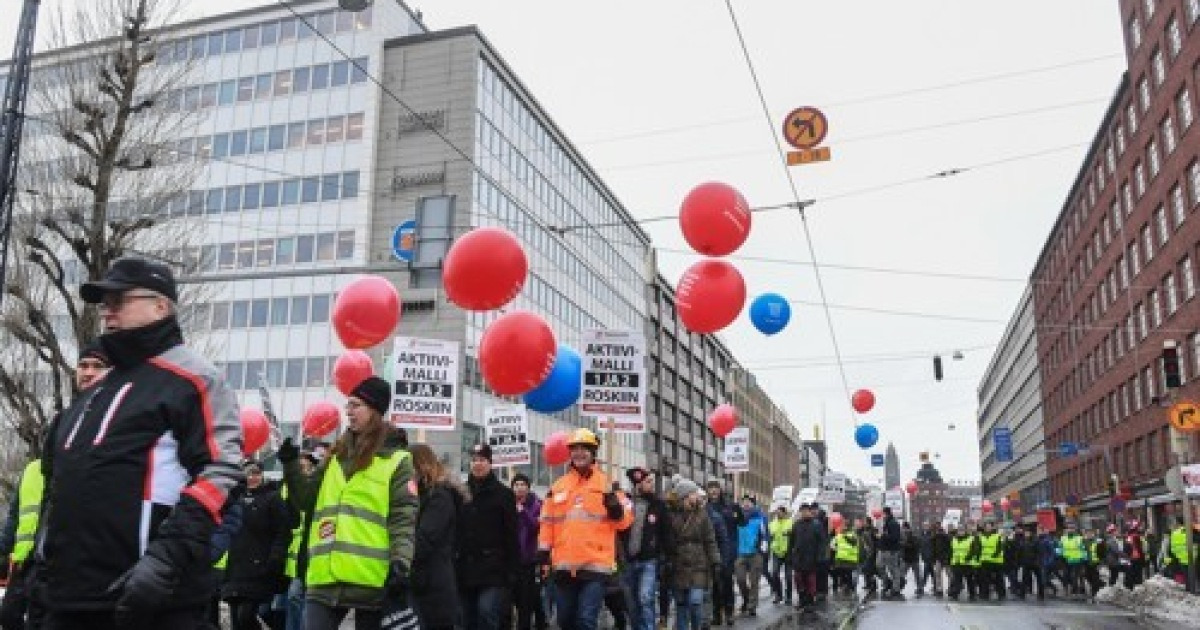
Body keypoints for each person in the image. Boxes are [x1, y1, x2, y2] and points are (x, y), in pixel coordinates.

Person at [34, 257, 245, 629]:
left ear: (160, 305)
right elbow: (57, 488)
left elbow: (221, 472)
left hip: (150, 600)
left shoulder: (195, 379)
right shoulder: (93, 392)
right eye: (103, 304)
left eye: (119, 301)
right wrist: (36, 575)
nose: (107, 313)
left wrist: (166, 559)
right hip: (67, 601)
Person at [279, 375, 418, 630]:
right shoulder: (335, 455)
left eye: (356, 405)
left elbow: (403, 518)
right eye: (348, 405)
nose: (348, 411)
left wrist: (400, 564)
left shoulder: (398, 460)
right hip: (323, 576)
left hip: (370, 579)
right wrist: (290, 465)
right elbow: (305, 501)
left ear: (374, 410)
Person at [0, 343, 111, 630]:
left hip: (90, 573)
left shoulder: (120, 426)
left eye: (97, 367)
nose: (88, 373)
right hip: (34, 570)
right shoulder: (62, 425)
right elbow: (19, 518)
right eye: (83, 365)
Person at [537, 428, 633, 630]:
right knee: (565, 620)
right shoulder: (558, 486)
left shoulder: (608, 485)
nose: (579, 453)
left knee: (586, 620)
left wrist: (614, 506)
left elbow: (624, 522)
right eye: (575, 449)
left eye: (584, 449)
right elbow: (547, 522)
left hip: (595, 565)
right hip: (564, 566)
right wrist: (543, 553)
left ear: (593, 453)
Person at [221, 460, 292, 630]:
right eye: (249, 473)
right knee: (236, 621)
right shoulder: (235, 497)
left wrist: (275, 557)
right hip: (236, 566)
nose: (253, 477)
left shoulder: (272, 498)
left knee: (245, 616)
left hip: (259, 566)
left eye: (256, 473)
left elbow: (283, 531)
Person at [458, 444, 518, 630]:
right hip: (464, 568)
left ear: (490, 463)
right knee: (466, 619)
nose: (478, 464)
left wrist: (511, 570)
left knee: (486, 613)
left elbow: (511, 533)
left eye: (482, 460)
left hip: (493, 569)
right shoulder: (460, 492)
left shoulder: (504, 494)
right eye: (474, 460)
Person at [409, 444, 465, 630]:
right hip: (422, 582)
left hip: (433, 586)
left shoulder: (438, 497)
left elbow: (424, 540)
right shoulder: (419, 495)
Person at [620, 468, 670, 630]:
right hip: (628, 560)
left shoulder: (658, 505)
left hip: (649, 559)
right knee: (631, 602)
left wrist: (665, 558)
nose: (651, 485)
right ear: (638, 484)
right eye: (648, 482)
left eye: (651, 481)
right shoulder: (625, 504)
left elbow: (666, 533)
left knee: (645, 597)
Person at [666, 479, 717, 630]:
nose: (697, 496)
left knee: (695, 602)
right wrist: (666, 561)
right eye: (694, 493)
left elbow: (710, 539)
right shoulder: (672, 515)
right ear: (686, 496)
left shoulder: (702, 515)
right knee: (681, 607)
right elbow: (667, 540)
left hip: (699, 565)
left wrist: (715, 561)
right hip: (678, 566)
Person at [285, 452, 320, 630]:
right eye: (301, 468)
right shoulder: (290, 490)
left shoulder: (319, 488)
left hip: (315, 558)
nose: (305, 471)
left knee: (299, 599)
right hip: (294, 561)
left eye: (308, 467)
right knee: (291, 599)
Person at [703, 481, 741, 627]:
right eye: (710, 488)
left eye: (715, 488)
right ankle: (716, 614)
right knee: (713, 584)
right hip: (711, 550)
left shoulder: (729, 506)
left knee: (726, 582)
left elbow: (741, 523)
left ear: (720, 490)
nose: (713, 491)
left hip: (727, 550)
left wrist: (738, 512)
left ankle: (729, 612)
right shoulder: (705, 508)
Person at [512, 474, 547, 630]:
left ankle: (534, 622)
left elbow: (536, 527)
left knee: (526, 601)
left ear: (528, 487)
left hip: (529, 560)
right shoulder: (507, 503)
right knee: (514, 599)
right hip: (511, 561)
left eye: (522, 484)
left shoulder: (536, 504)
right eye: (516, 484)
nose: (519, 488)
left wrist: (523, 512)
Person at [787, 503, 827, 614]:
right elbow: (791, 542)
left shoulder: (816, 525)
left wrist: (820, 556)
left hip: (812, 558)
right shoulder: (796, 525)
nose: (804, 513)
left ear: (810, 512)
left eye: (806, 511)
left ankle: (810, 601)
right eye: (802, 511)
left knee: (810, 581)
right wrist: (789, 555)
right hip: (798, 559)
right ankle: (802, 600)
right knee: (799, 580)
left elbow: (822, 543)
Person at [733, 496, 766, 617]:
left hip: (755, 554)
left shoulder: (759, 517)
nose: (746, 504)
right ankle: (746, 599)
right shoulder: (737, 517)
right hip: (740, 553)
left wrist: (762, 550)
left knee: (754, 582)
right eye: (744, 502)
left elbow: (764, 535)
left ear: (753, 504)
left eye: (748, 502)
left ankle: (752, 606)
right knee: (740, 579)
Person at [767, 507, 793, 605]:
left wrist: (789, 534)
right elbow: (770, 536)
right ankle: (778, 595)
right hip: (776, 552)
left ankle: (789, 597)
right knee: (774, 573)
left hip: (788, 552)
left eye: (780, 512)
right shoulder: (772, 524)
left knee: (788, 576)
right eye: (777, 512)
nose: (778, 513)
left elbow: (793, 536)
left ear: (784, 513)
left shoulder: (790, 523)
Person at [946, 526, 980, 602]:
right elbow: (951, 551)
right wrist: (948, 559)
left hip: (967, 563)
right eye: (959, 531)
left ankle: (972, 595)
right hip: (957, 563)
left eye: (962, 531)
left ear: (965, 531)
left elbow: (974, 550)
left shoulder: (971, 539)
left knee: (969, 580)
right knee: (957, 580)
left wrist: (968, 558)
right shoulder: (954, 539)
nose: (961, 532)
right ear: (957, 532)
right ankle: (955, 594)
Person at [876, 507, 903, 598]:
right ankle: (887, 582)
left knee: (893, 569)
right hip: (883, 549)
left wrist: (883, 536)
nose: (881, 516)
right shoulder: (886, 523)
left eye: (882, 514)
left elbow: (895, 537)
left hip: (891, 550)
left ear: (886, 513)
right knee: (879, 566)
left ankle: (896, 589)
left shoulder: (893, 523)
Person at [829, 519, 860, 596]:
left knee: (842, 573)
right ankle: (849, 587)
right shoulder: (853, 535)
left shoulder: (839, 536)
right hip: (851, 559)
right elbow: (857, 545)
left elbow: (832, 546)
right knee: (849, 574)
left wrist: (838, 550)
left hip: (841, 559)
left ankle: (845, 586)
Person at [1013, 528, 1043, 600]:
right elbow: (1019, 553)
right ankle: (1022, 594)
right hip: (1026, 563)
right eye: (1025, 533)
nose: (1026, 534)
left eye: (1028, 533)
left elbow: (1039, 552)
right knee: (1024, 579)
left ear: (1031, 533)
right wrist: (1018, 562)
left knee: (1039, 579)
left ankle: (1041, 594)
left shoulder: (1036, 541)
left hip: (1035, 563)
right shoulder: (1023, 542)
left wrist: (1038, 561)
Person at [977, 521, 1005, 600]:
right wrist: (979, 557)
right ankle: (984, 594)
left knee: (999, 579)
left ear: (992, 527)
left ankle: (1001, 594)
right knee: (985, 579)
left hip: (996, 561)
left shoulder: (998, 536)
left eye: (989, 526)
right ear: (984, 528)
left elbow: (1000, 547)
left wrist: (995, 555)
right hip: (985, 560)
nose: (988, 528)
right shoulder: (981, 537)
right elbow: (979, 548)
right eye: (986, 526)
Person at [1059, 523, 1088, 597]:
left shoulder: (1079, 538)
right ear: (1067, 529)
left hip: (1076, 560)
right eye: (1069, 528)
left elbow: (1083, 549)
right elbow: (1060, 548)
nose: (1070, 530)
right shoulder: (1063, 538)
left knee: (1074, 576)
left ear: (1075, 530)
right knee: (1065, 576)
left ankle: (1074, 590)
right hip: (1065, 560)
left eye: (1072, 528)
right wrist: (1059, 555)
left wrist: (1084, 558)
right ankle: (1066, 589)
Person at [1124, 521, 1147, 590]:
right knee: (1138, 574)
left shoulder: (1128, 537)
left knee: (1132, 573)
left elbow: (1126, 549)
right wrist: (1143, 559)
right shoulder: (1136, 537)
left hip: (1132, 558)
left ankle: (1131, 586)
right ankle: (1137, 586)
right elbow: (1140, 549)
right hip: (1137, 558)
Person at [900, 522, 921, 595]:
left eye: (904, 529)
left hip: (912, 559)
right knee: (903, 574)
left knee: (916, 575)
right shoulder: (904, 537)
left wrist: (904, 544)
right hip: (908, 558)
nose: (904, 531)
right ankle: (899, 587)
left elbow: (914, 546)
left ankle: (919, 588)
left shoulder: (913, 537)